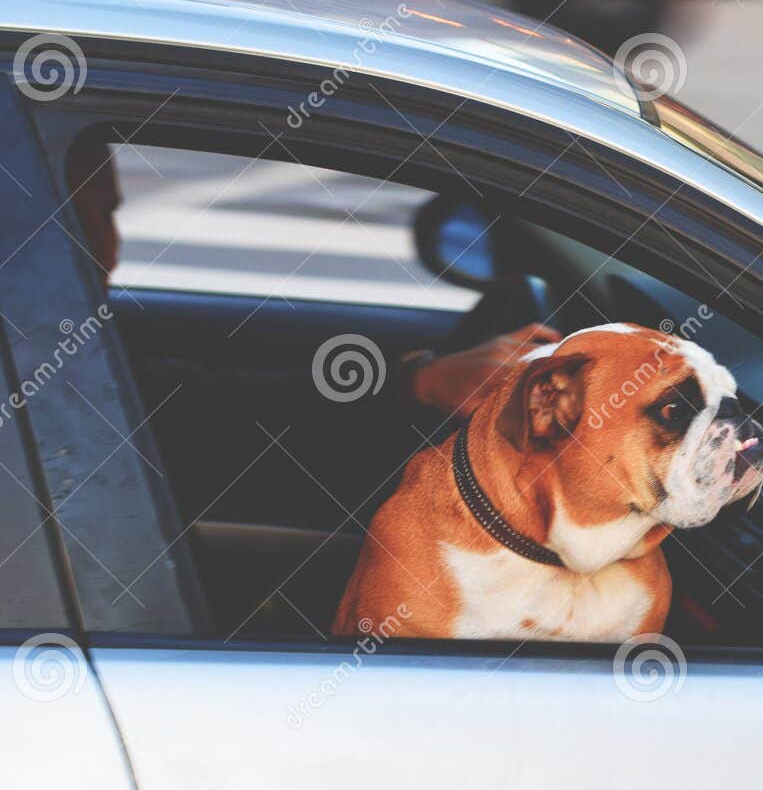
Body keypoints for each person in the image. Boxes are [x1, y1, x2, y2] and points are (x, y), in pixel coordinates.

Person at [64, 139, 562, 527]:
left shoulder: (64, 351)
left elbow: (194, 402)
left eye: (110, 216)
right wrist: (420, 384)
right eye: (85, 218)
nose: (109, 245)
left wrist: (418, 379)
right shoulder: (47, 367)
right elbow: (208, 416)